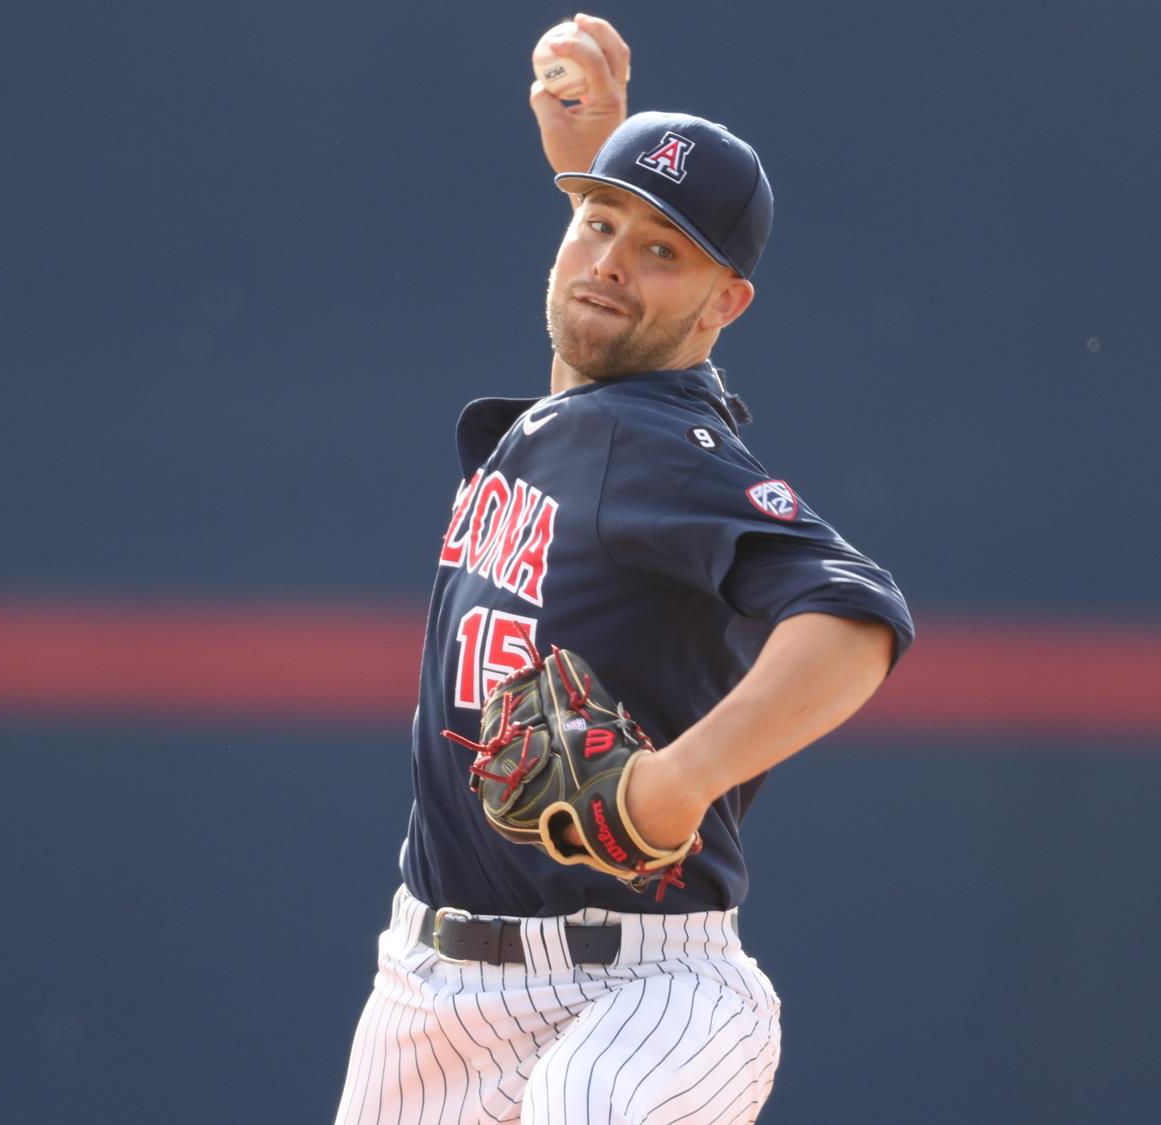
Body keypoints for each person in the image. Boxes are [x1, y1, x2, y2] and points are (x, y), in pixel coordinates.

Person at [333, 15, 913, 1124]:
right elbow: (592, 323)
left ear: (724, 302)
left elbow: (854, 616)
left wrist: (677, 780)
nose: (608, 261)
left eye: (662, 252)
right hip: (426, 992)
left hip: (641, 992)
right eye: (595, 226)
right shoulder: (578, 419)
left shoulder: (656, 445)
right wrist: (598, 154)